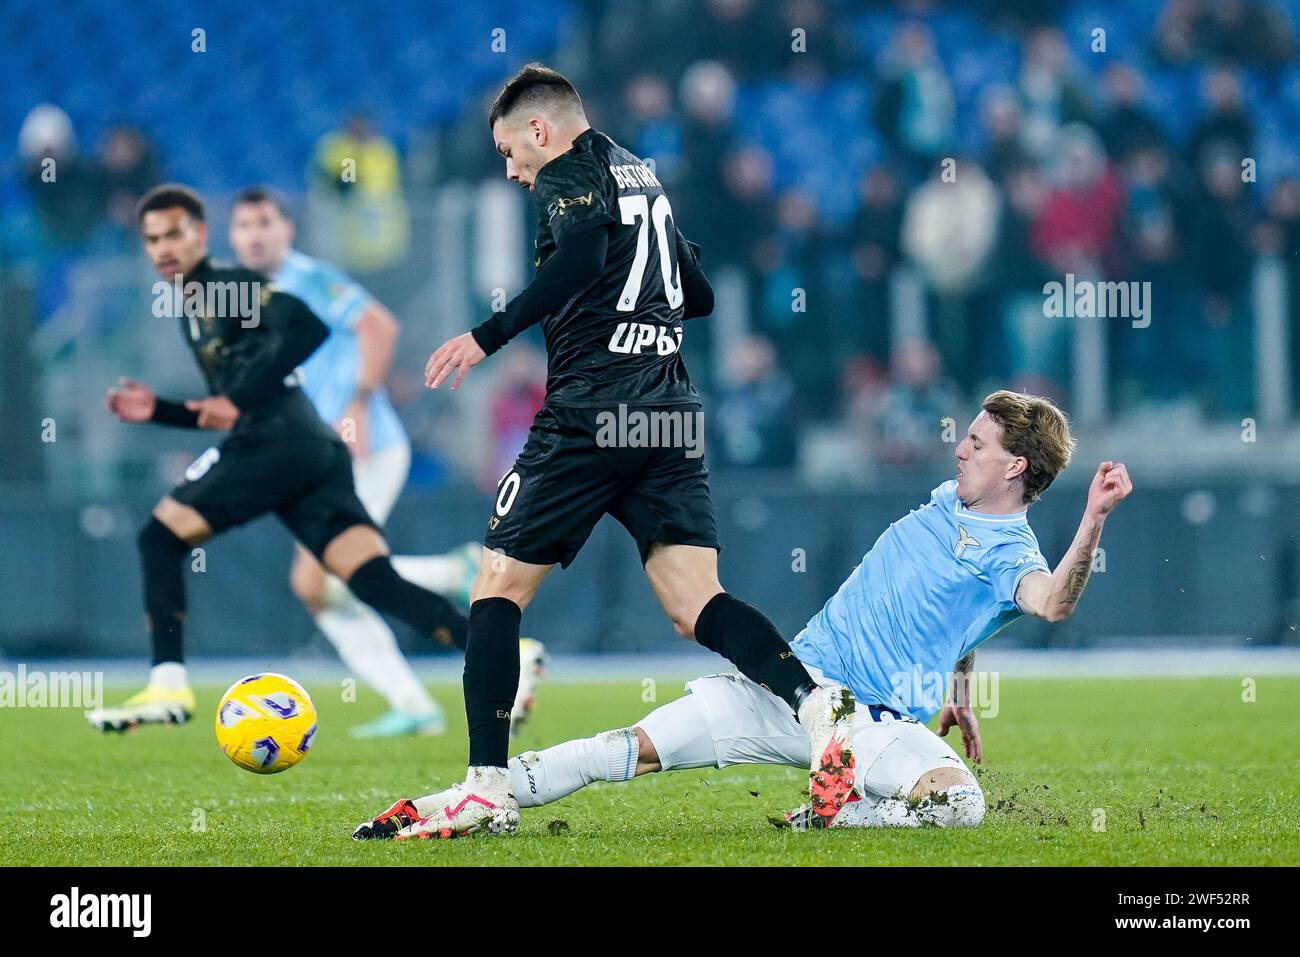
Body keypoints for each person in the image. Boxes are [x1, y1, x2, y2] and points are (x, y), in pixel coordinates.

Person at [364, 64, 857, 839]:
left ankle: (487, 786)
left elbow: (584, 255)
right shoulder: (642, 174)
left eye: (508, 150)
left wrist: (487, 334)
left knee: (496, 588)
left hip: (593, 408)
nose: (510, 168)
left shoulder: (570, 171)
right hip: (666, 410)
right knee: (695, 601)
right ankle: (818, 704)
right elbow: (698, 293)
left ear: (539, 129)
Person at [355, 392, 1131, 838]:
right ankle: (458, 801)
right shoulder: (950, 499)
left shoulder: (1014, 553)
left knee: (960, 805)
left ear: (1015, 468)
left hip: (874, 718)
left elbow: (1049, 602)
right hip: (790, 687)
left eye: (976, 442)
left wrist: (1092, 519)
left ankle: (840, 810)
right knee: (617, 750)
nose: (958, 449)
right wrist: (962, 678)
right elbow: (966, 607)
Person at [86, 185, 467, 732]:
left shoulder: (223, 285)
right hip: (312, 447)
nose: (163, 248)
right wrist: (160, 411)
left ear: (201, 234)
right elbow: (228, 407)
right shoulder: (195, 302)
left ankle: (167, 688)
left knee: (159, 538)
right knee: (367, 579)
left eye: (174, 234)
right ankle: (497, 651)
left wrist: (242, 401)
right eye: (151, 240)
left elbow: (305, 331)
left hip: (276, 445)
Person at [227, 187, 545, 739]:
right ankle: (421, 681)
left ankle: (457, 628)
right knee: (317, 585)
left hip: (359, 447)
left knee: (325, 576)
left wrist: (357, 403)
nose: (254, 234)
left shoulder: (311, 280)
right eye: (244, 225)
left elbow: (380, 326)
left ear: (287, 230)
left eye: (265, 222)